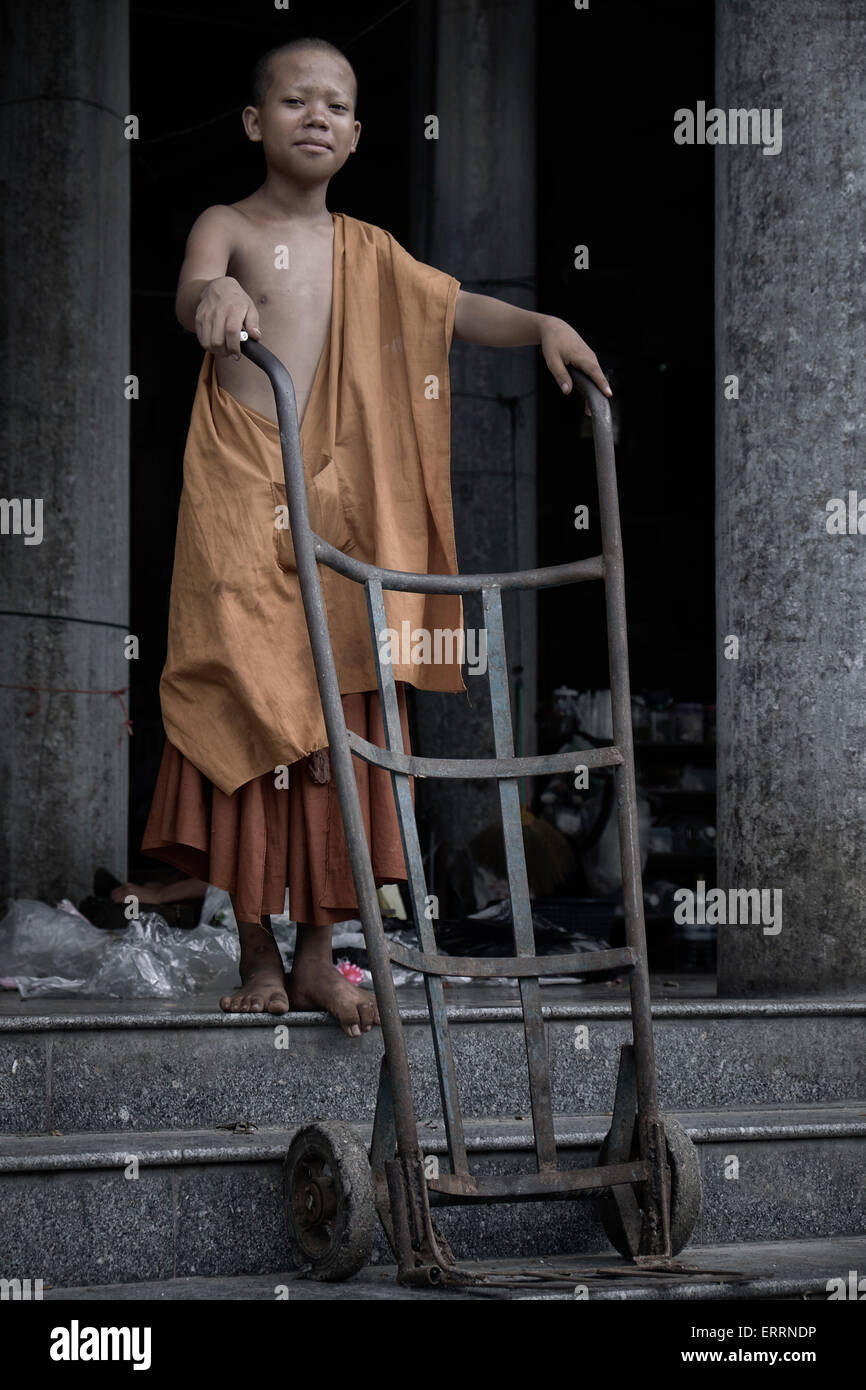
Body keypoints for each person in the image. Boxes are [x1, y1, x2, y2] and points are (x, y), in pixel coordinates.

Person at [141, 35, 611, 1035]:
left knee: (334, 726)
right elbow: (194, 288)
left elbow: (450, 307)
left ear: (355, 136)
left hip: (338, 514)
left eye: (337, 104)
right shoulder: (225, 224)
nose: (317, 114)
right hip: (241, 505)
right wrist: (213, 297)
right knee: (247, 718)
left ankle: (318, 955)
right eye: (296, 98)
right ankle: (256, 949)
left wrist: (538, 328)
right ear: (253, 122)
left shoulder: (368, 249)